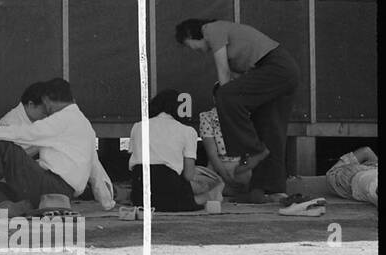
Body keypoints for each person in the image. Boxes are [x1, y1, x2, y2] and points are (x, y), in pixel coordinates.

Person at [175, 18, 299, 199]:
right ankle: (269, 189)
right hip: (285, 72)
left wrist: (226, 100)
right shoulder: (233, 42)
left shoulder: (212, 29)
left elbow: (224, 75)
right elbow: (241, 80)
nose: (194, 50)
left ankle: (253, 151)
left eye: (189, 45)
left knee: (224, 95)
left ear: (190, 34)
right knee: (270, 128)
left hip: (275, 67)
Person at [0, 78, 96, 214]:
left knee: (5, 148)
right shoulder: (83, 122)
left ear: (48, 99)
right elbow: (95, 166)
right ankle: (20, 205)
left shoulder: (62, 119)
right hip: (62, 190)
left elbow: (27, 133)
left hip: (53, 187)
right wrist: (107, 201)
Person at [128, 89, 225, 213]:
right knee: (212, 185)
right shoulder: (187, 131)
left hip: (140, 193)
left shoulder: (138, 126)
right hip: (171, 188)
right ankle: (211, 197)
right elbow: (188, 175)